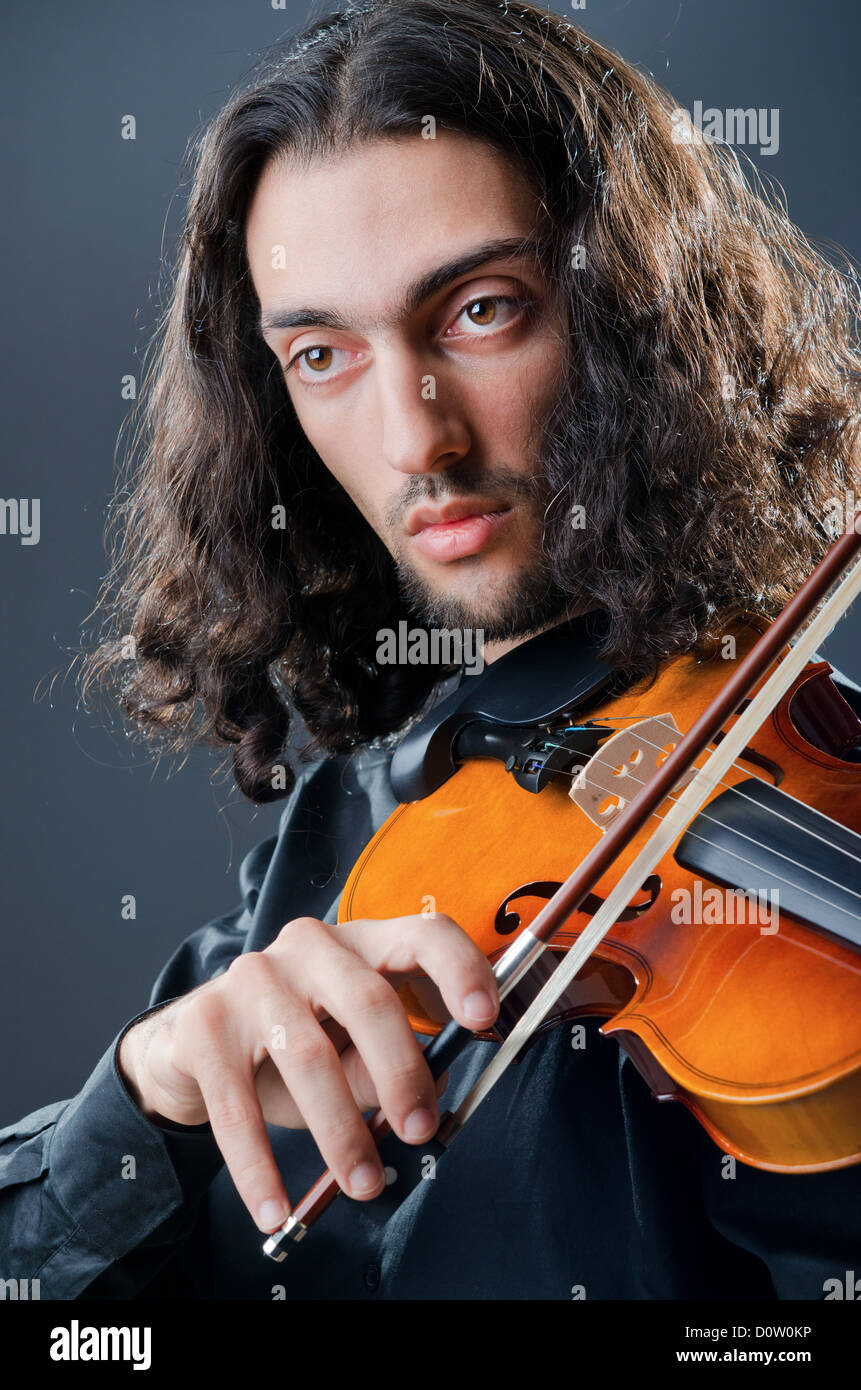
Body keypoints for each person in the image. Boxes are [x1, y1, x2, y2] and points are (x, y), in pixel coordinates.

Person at [3, 0, 861, 1300]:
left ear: (639, 311)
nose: (416, 442)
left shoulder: (821, 770)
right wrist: (142, 1095)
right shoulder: (344, 845)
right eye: (321, 352)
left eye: (479, 310)